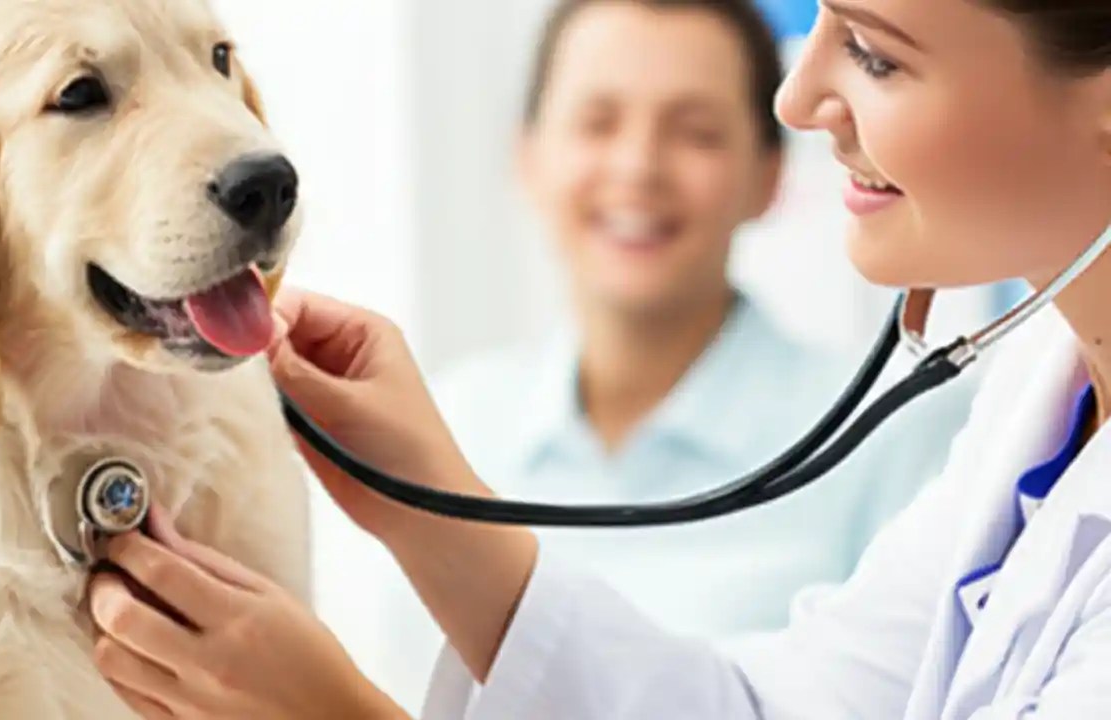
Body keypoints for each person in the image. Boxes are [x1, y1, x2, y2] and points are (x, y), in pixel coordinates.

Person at [85, 0, 1111, 718]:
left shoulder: (924, 431)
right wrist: (429, 504)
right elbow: (761, 713)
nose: (795, 101)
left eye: (876, 56)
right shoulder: (1032, 402)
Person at [377, 0, 973, 708]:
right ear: (527, 154)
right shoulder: (450, 421)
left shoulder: (902, 435)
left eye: (696, 134)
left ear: (769, 173)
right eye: (598, 123)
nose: (638, 167)